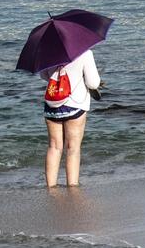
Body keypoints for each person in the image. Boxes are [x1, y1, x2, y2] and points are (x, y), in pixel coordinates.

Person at [39, 48, 103, 190]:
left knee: (54, 147)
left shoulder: (49, 52)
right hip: (75, 104)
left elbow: (44, 75)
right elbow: (93, 83)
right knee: (72, 148)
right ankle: (72, 187)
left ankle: (51, 188)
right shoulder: (85, 52)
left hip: (52, 104)